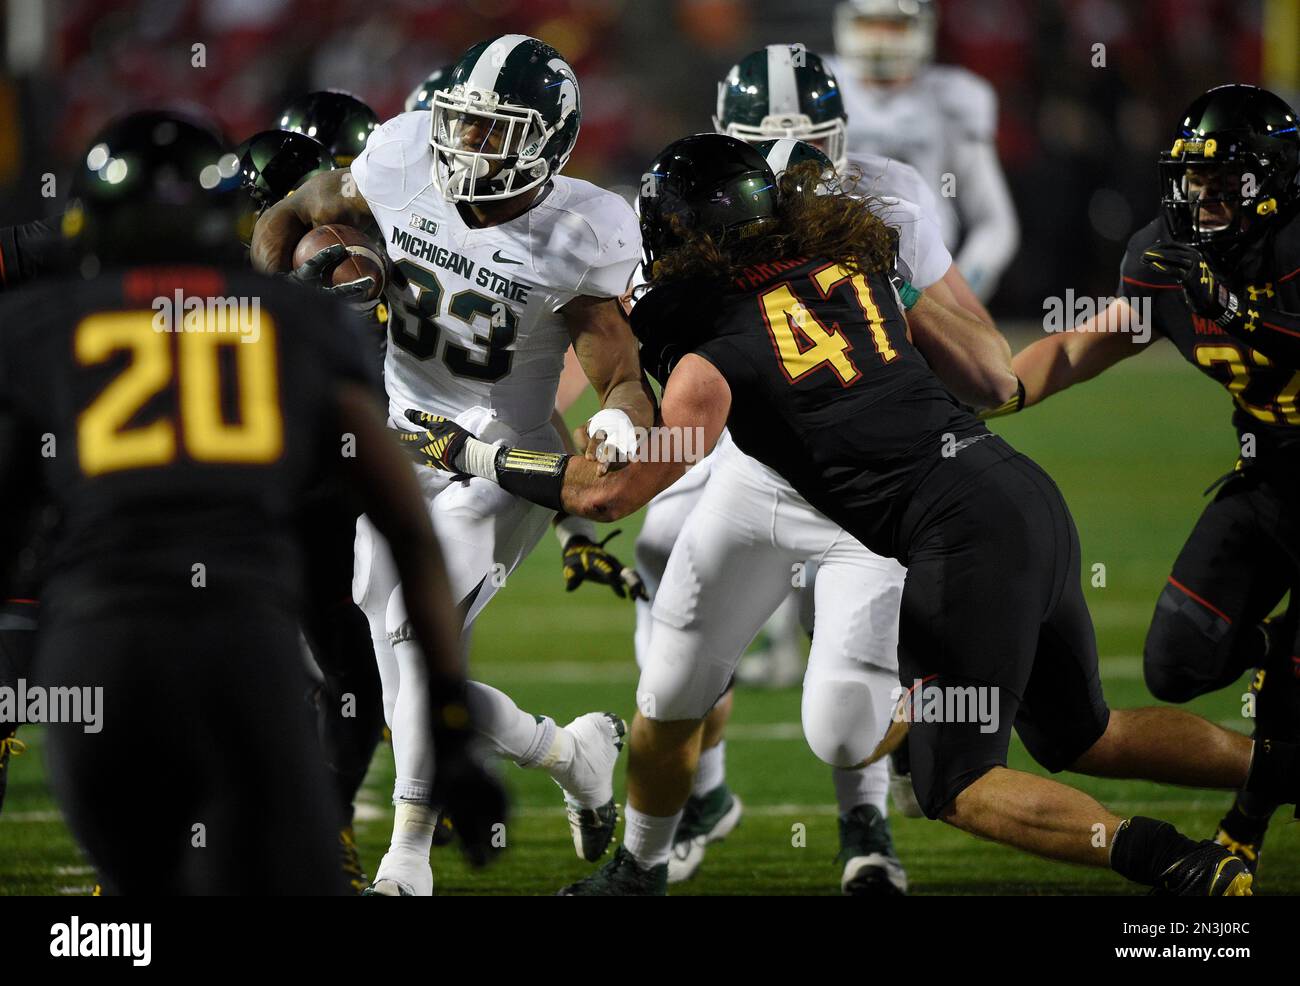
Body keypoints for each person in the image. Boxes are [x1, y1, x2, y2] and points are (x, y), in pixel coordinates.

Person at [401, 133, 1299, 896]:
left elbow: (608, 493)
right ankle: (1278, 767)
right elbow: (990, 379)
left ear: (689, 239)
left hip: (950, 534)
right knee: (1083, 734)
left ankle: (1179, 868)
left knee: (959, 784)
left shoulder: (710, 358)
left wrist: (473, 454)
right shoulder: (853, 264)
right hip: (1017, 492)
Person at [0, 109, 504, 893]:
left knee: (131, 903)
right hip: (242, 644)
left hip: (100, 648)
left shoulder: (40, 328)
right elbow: (407, 526)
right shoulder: (297, 320)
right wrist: (452, 732)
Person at [251, 34, 653, 896]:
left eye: (494, 132)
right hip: (397, 441)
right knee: (410, 682)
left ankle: (406, 862)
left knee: (407, 634)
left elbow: (623, 373)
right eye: (463, 126)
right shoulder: (400, 156)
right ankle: (572, 753)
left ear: (549, 143)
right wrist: (283, 290)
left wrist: (619, 422)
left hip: (501, 458)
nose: (468, 148)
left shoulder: (582, 230)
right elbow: (289, 211)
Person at [997, 83, 1300, 880]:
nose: (1202, 198)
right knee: (1177, 664)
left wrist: (1231, 307)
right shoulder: (1171, 260)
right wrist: (985, 394)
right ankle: (1274, 644)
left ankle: (1245, 828)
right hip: (1272, 480)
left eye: (1223, 181)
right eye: (1193, 179)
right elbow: (1072, 350)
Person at [828, 0, 1018, 300]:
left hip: (926, 280)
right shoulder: (820, 88)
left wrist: (960, 292)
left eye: (894, 26)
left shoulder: (955, 96)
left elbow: (995, 223)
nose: (880, 38)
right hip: (830, 276)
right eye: (870, 25)